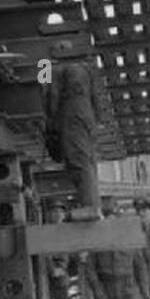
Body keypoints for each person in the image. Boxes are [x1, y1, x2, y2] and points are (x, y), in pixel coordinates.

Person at [42, 42, 101, 217]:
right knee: (88, 159)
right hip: (87, 113)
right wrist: (96, 119)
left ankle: (88, 206)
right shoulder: (86, 68)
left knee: (76, 157)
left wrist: (50, 122)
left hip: (70, 112)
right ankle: (92, 204)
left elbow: (48, 94)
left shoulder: (49, 66)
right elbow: (96, 96)